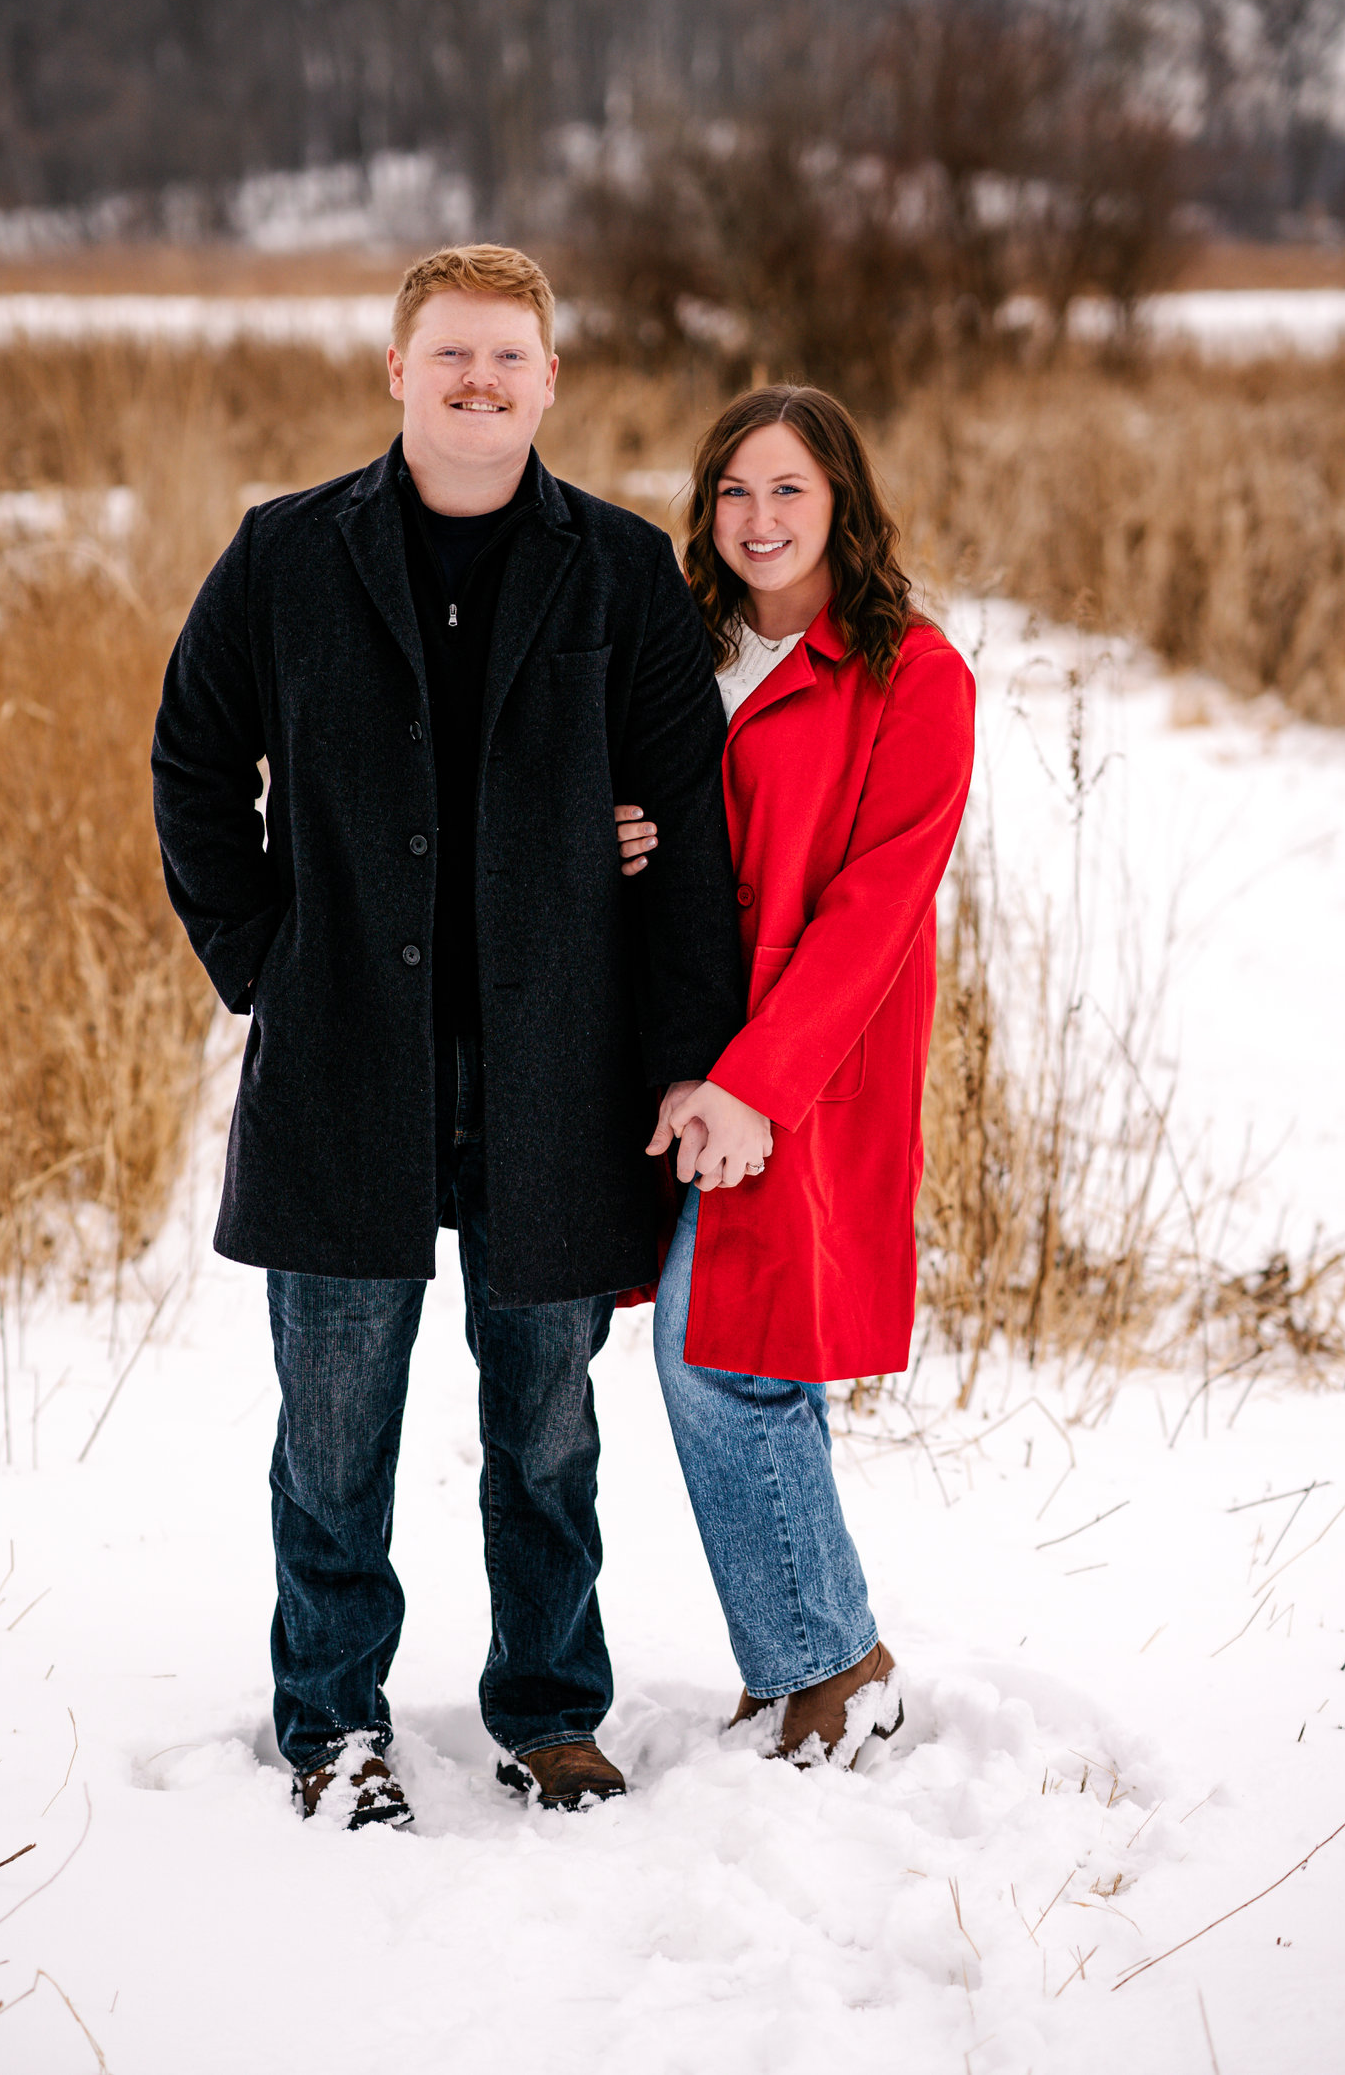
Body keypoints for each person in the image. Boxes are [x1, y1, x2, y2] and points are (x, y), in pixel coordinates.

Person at [151, 245, 748, 1830]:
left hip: (560, 1067)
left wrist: (691, 1049)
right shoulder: (285, 556)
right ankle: (332, 1722)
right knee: (334, 1426)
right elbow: (194, 759)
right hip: (347, 1052)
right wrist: (262, 953)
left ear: (550, 382)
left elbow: (685, 822)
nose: (480, 384)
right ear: (397, 373)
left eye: (509, 360)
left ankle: (552, 1712)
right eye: (451, 357)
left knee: (547, 1429)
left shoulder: (620, 573)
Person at [615, 384, 976, 1767]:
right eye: (734, 493)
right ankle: (804, 1666)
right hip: (680, 1051)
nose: (759, 520)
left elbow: (878, 903)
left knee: (729, 1354)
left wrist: (758, 1082)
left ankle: (836, 1663)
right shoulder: (679, 655)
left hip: (812, 1063)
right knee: (736, 1350)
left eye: (790, 491)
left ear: (843, 507)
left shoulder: (912, 675)